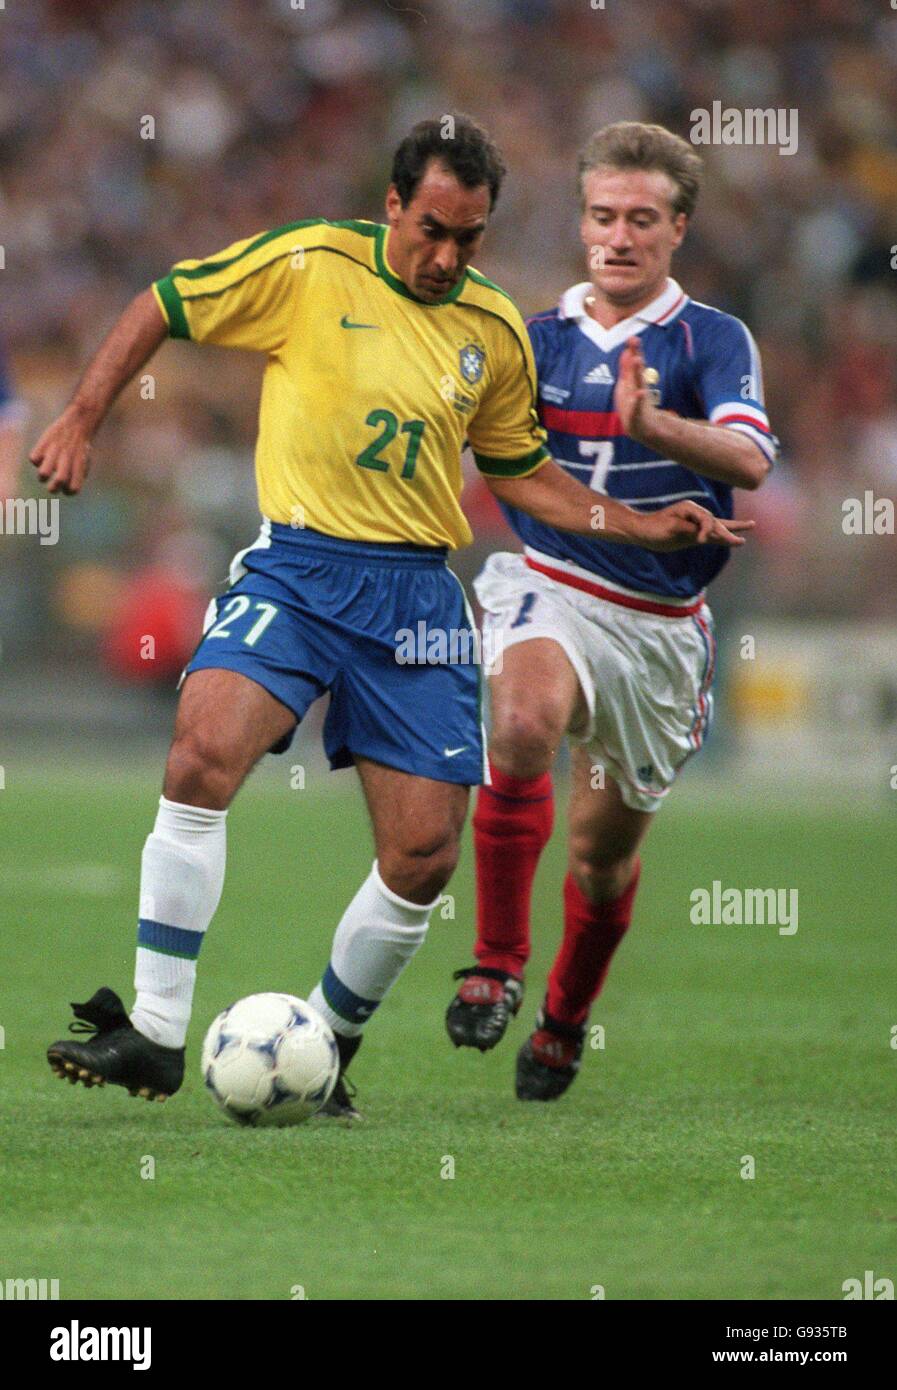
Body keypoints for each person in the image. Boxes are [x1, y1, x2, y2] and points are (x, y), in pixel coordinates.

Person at [35, 116, 750, 1119]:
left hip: (416, 595)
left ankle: (324, 1049)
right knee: (200, 755)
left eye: (471, 238)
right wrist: (80, 414)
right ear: (393, 207)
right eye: (433, 231)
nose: (447, 257)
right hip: (298, 567)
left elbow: (524, 478)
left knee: (422, 856)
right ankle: (155, 1028)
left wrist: (642, 523)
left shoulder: (494, 328)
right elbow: (162, 301)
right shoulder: (308, 263)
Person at [446, 122, 775, 1101]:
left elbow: (751, 461)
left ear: (677, 228)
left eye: (641, 219)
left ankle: (564, 1015)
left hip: (659, 632)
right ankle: (497, 961)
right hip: (549, 577)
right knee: (522, 718)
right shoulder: (531, 339)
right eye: (602, 216)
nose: (618, 237)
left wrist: (655, 426)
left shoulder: (710, 338)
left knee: (599, 858)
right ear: (582, 221)